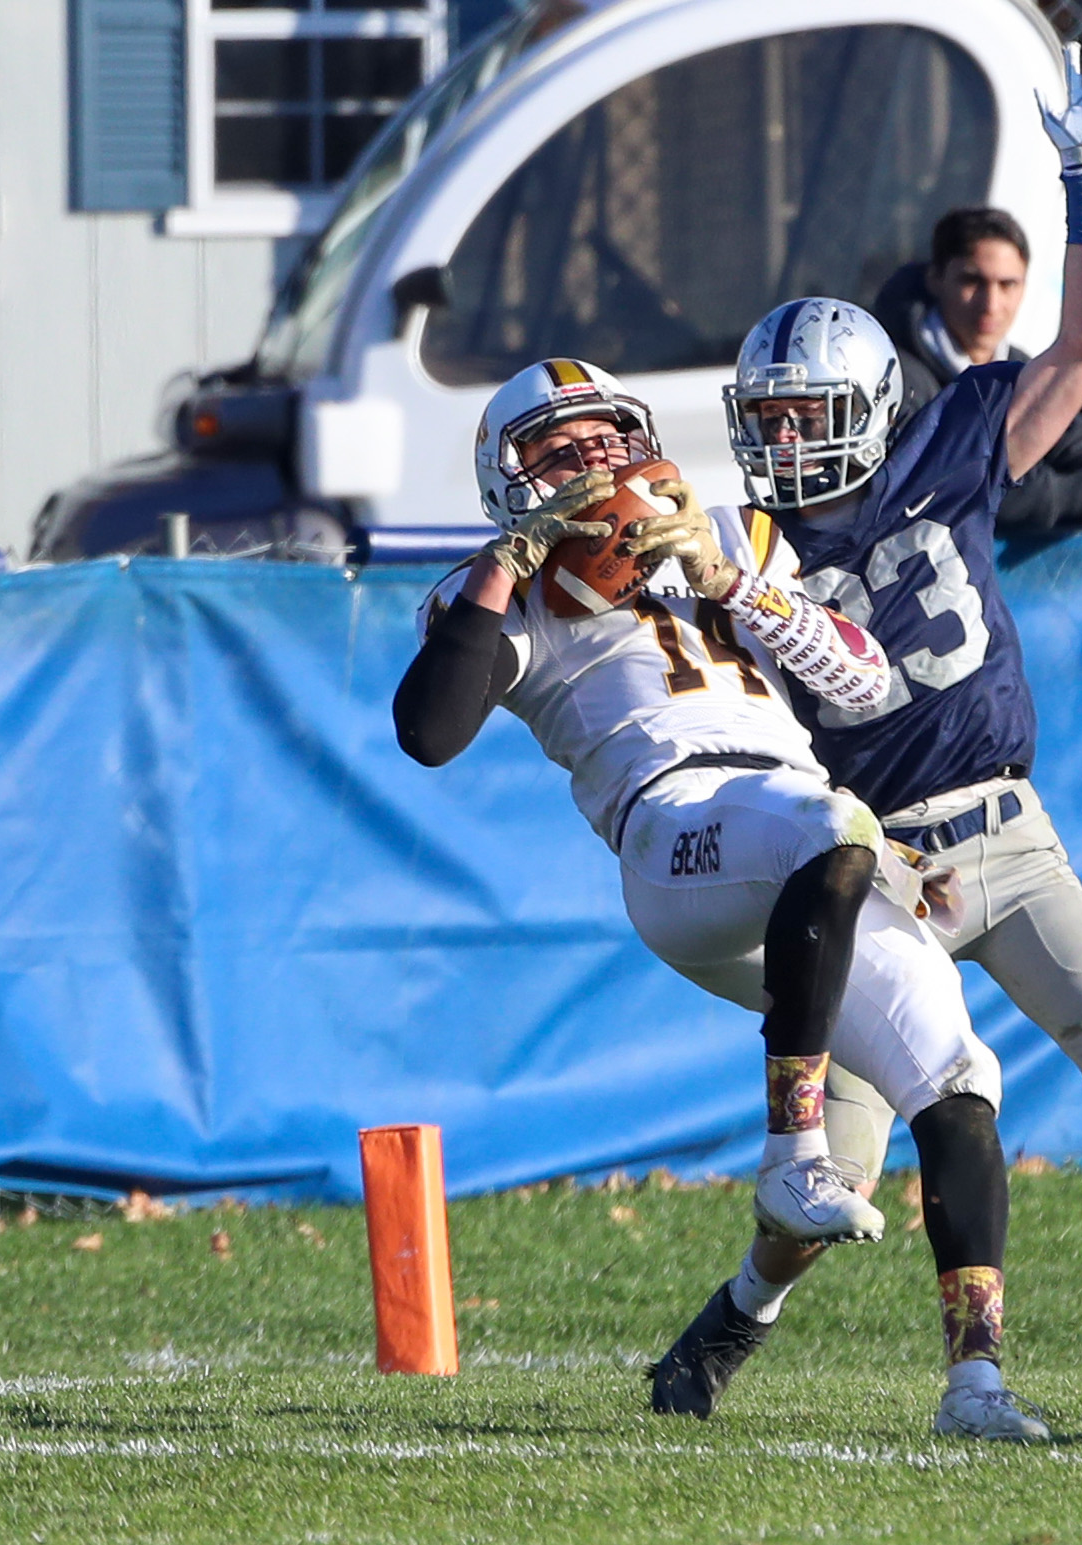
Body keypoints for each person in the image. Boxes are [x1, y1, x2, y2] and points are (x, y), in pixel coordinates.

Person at [664, 34, 1082, 1425]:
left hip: (1005, 840)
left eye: (804, 413)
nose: (781, 441)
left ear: (868, 403)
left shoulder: (954, 436)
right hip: (873, 873)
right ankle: (733, 1318)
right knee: (823, 1183)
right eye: (765, 418)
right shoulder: (742, 542)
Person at [392, 358, 1045, 1442]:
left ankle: (974, 1386)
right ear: (509, 483)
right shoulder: (507, 594)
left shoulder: (728, 534)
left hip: (798, 837)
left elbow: (865, 681)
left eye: (605, 439)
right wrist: (501, 572)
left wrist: (732, 579)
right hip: (672, 832)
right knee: (829, 827)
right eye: (558, 451)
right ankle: (793, 1155)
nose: (591, 462)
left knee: (957, 1078)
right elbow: (427, 731)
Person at [871, 206, 1082, 538]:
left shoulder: (1022, 373)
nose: (991, 303)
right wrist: (1081, 496)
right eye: (973, 281)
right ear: (935, 278)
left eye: (1008, 284)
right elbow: (956, 491)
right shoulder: (891, 378)